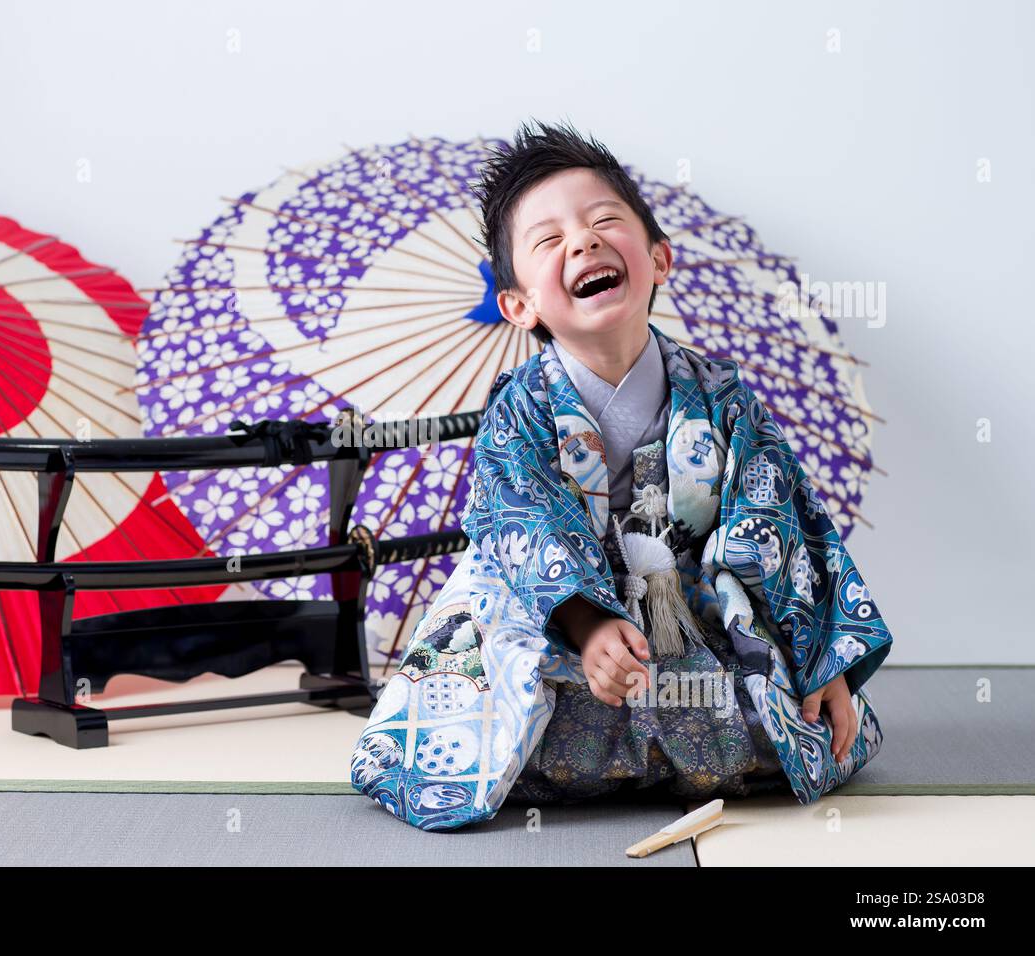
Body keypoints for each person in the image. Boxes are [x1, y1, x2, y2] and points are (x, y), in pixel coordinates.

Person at [348, 119, 893, 832]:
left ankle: (675, 733)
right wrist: (588, 620)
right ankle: (626, 728)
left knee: (815, 724)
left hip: (684, 610)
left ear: (660, 258)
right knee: (489, 691)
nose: (583, 241)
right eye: (548, 241)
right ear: (519, 306)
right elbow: (520, 528)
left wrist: (824, 661)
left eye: (606, 221)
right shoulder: (520, 410)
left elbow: (780, 530)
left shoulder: (722, 398)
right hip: (561, 625)